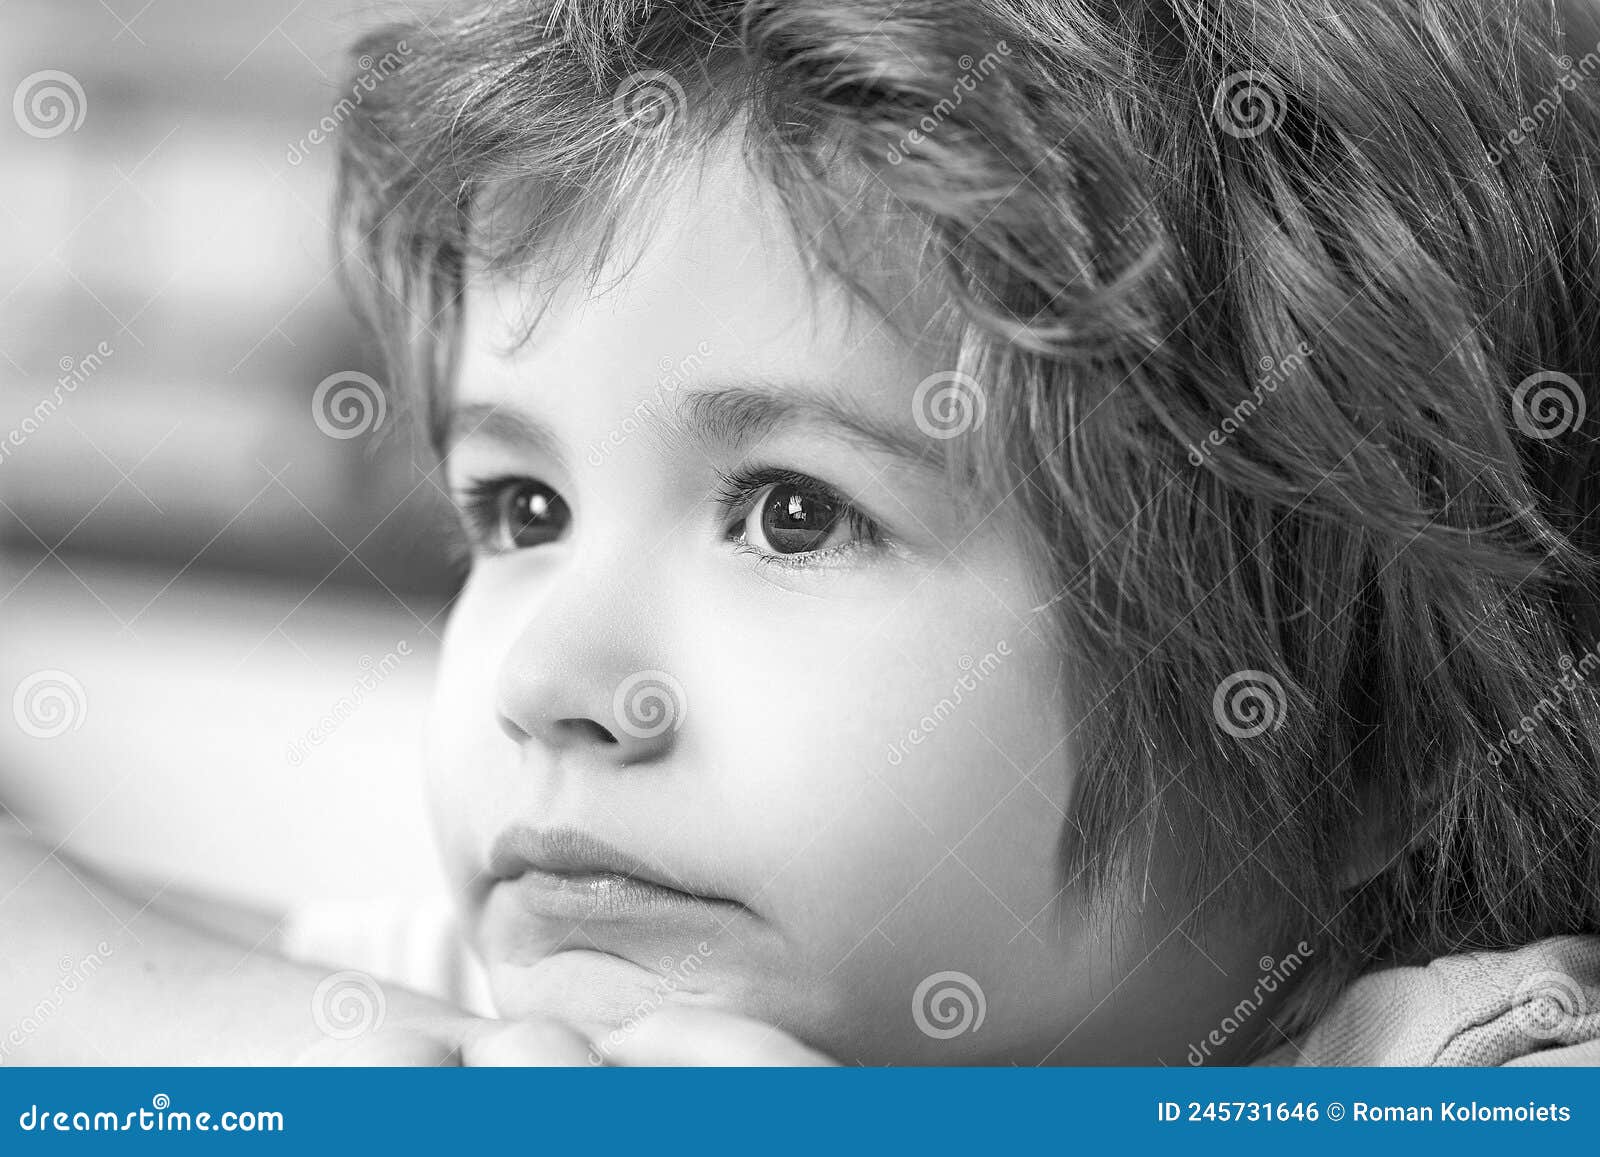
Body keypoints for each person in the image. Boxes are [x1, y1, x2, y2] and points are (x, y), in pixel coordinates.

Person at [5, 0, 1600, 1065]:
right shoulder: (543, 999)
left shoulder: (1462, 1063)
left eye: (792, 512)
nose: (552, 673)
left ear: (1357, 732)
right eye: (523, 507)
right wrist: (315, 1045)